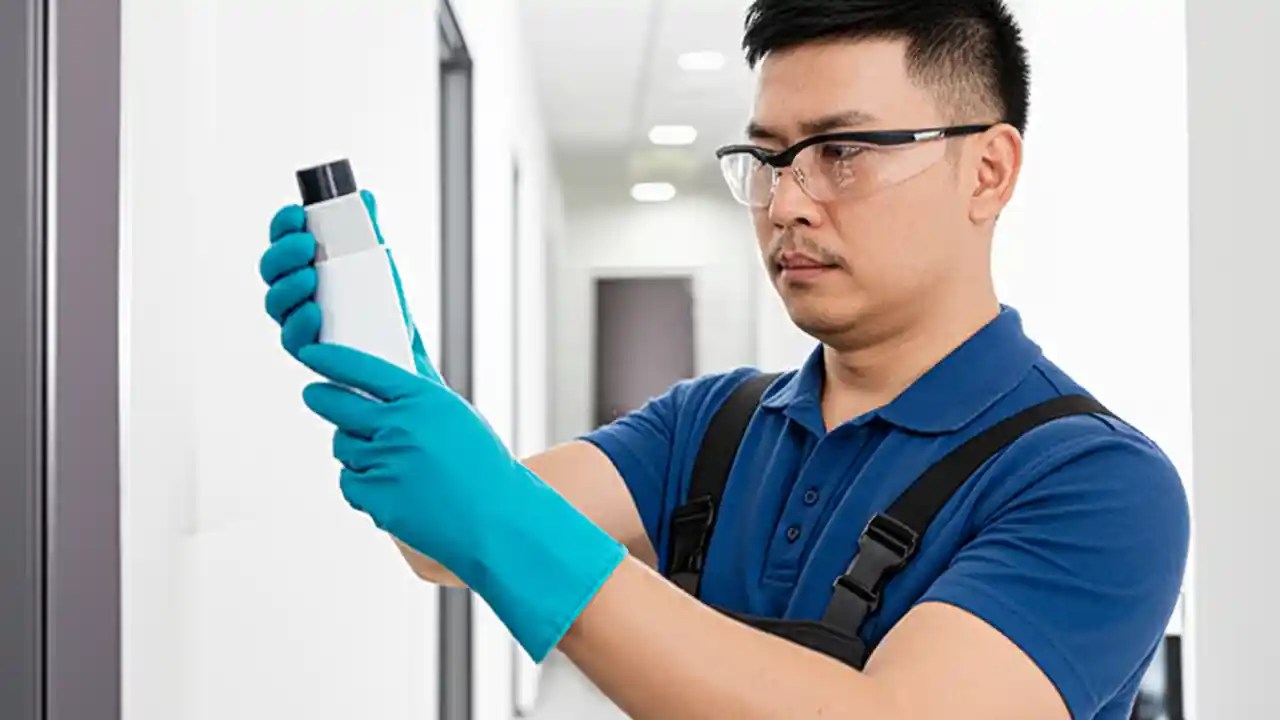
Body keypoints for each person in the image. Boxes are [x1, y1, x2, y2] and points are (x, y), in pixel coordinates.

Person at [258, 0, 1189, 717]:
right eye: (770, 158)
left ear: (988, 171)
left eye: (843, 151)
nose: (786, 204)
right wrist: (398, 389)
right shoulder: (713, 428)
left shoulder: (1095, 482)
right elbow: (442, 543)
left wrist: (498, 510)